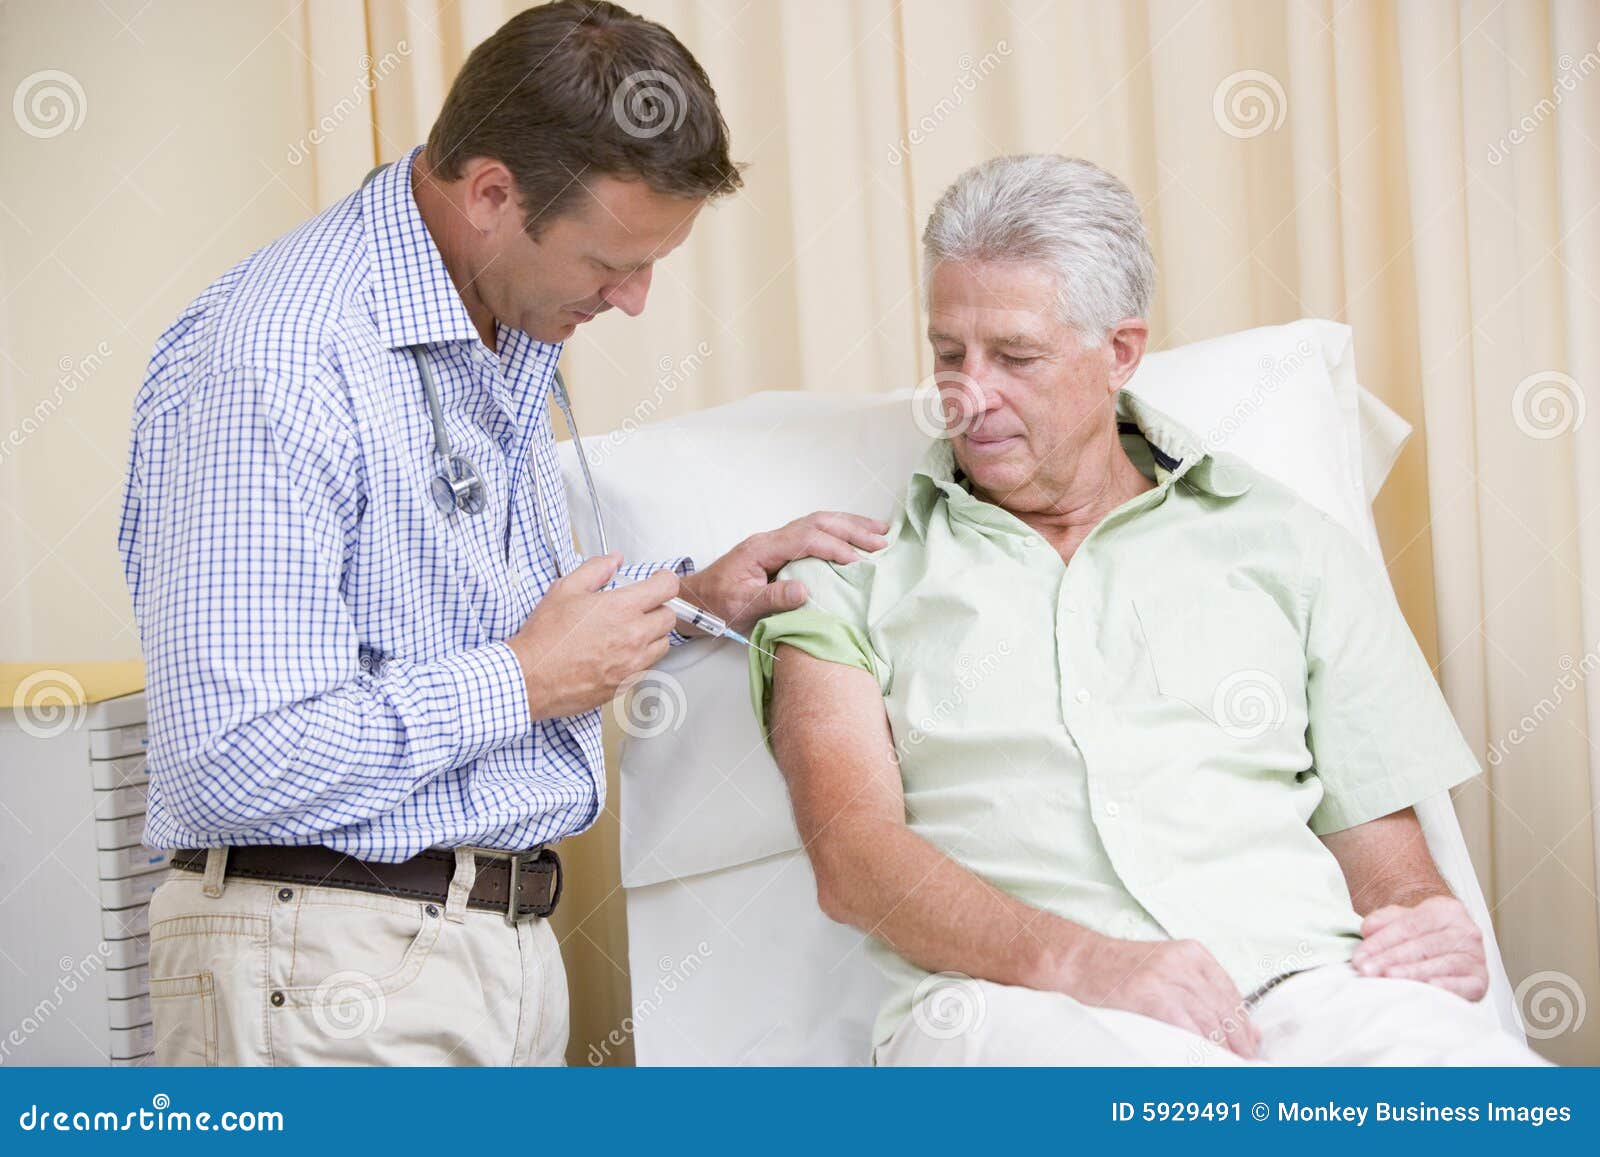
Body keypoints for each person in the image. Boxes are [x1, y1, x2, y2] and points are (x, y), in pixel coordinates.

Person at [119, 0, 887, 1066]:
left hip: (486, 951)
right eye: (613, 261)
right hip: (325, 969)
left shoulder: (489, 318)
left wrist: (693, 593)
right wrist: (524, 680)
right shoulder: (283, 356)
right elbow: (233, 760)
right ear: (490, 193)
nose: (633, 300)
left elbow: (462, 610)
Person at [749, 153, 1545, 1066]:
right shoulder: (846, 580)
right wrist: (1088, 963)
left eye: (1015, 357)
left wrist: (1419, 920)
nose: (967, 394)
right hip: (1021, 1010)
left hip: (1309, 992)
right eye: (947, 353)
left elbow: (1386, 860)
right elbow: (855, 860)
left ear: (1120, 351)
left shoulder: (1291, 545)